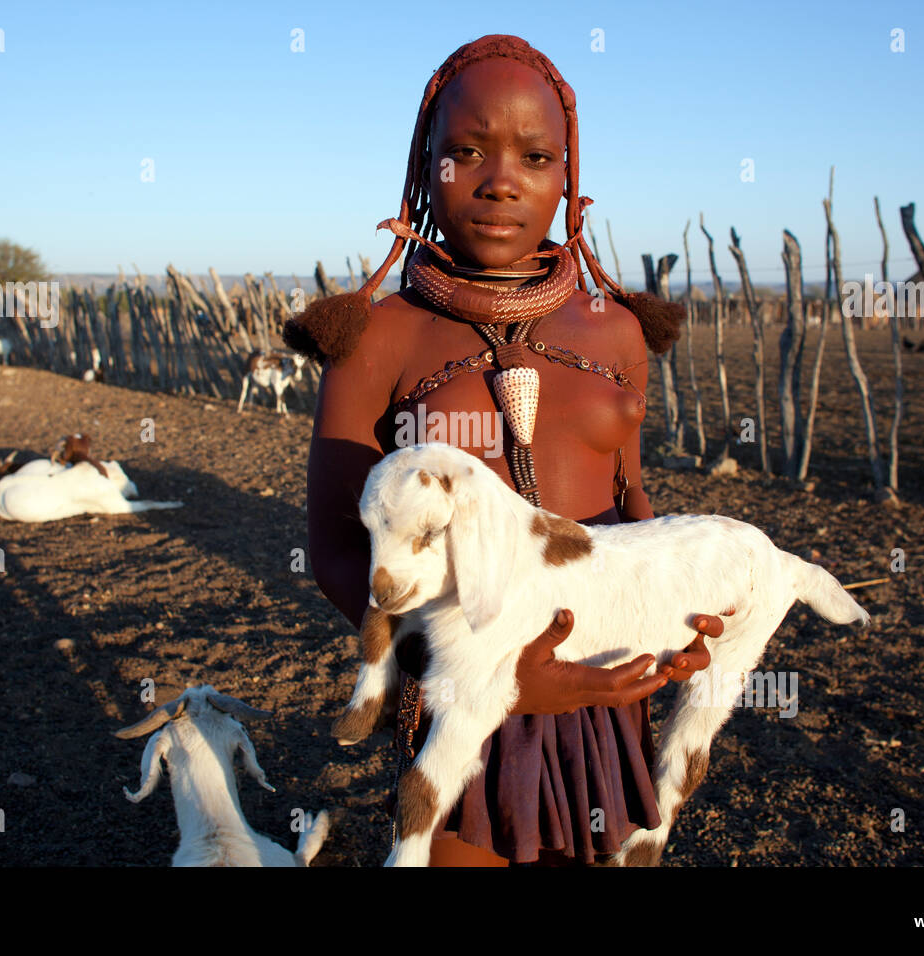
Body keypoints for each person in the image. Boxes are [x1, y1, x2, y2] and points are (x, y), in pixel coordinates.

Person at [293, 34, 725, 867]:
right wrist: (482, 676)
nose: (500, 179)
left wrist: (682, 603)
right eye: (465, 152)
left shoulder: (618, 332)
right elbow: (338, 550)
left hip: (613, 676)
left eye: (535, 156)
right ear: (426, 171)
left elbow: (634, 501)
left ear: (568, 181)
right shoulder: (376, 337)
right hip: (467, 693)